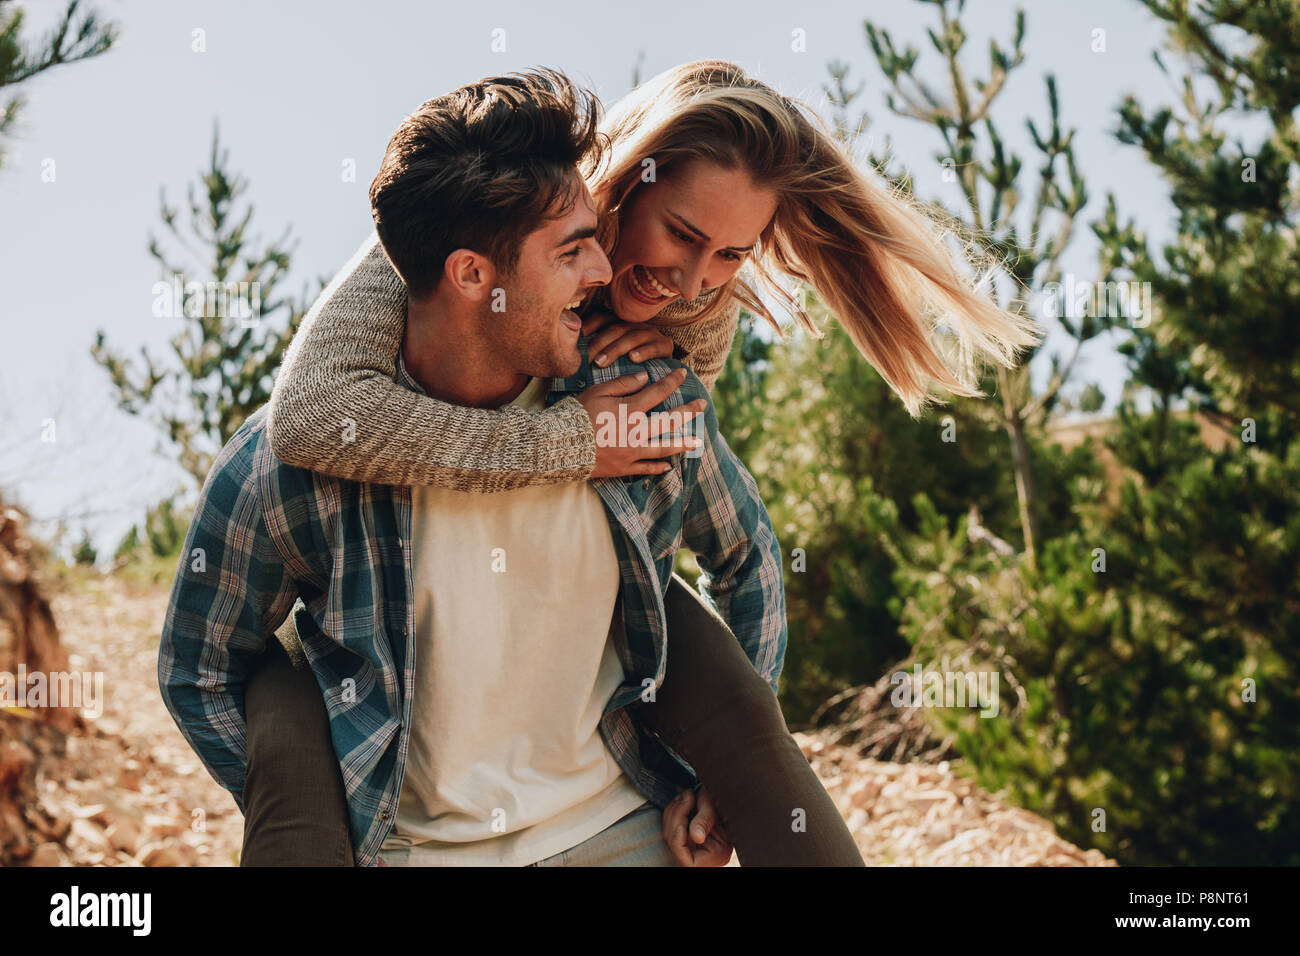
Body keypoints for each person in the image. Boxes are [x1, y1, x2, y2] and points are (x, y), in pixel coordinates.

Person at [255, 61, 1043, 866]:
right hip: (413, 569)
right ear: (622, 183)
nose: (694, 282)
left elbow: (711, 514)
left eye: (733, 255)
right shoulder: (487, 222)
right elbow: (314, 414)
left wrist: (717, 776)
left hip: (597, 576)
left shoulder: (698, 306)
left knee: (715, 680)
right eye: (684, 235)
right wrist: (571, 445)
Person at [160, 67, 823, 869]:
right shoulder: (313, 445)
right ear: (474, 274)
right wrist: (333, 816)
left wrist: (712, 775)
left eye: (729, 254)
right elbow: (200, 663)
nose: (610, 274)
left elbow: (748, 555)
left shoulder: (645, 394)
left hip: (621, 828)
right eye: (576, 250)